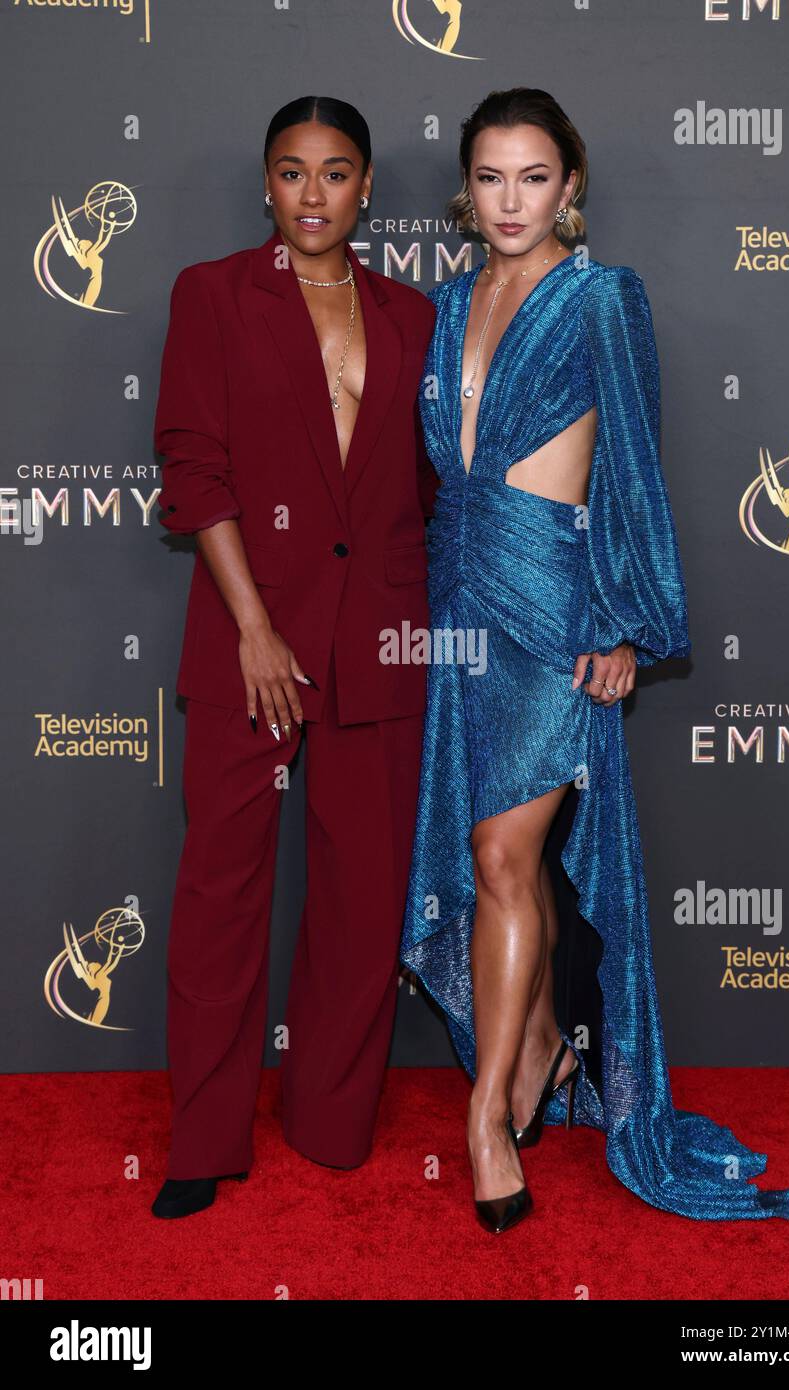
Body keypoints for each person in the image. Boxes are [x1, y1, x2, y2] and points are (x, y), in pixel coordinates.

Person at [400, 88, 789, 1233]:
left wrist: (625, 621)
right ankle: (536, 1041)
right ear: (464, 189)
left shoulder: (599, 298)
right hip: (458, 605)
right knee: (507, 862)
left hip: (553, 612)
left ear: (569, 186)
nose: (511, 201)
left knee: (498, 854)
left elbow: (630, 462)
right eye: (490, 178)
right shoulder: (446, 305)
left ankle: (486, 1118)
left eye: (533, 177)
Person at [150, 96, 438, 1218]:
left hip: (380, 640)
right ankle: (203, 1138)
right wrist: (255, 627)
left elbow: (427, 485)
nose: (312, 193)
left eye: (335, 171)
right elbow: (194, 468)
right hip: (248, 640)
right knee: (220, 892)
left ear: (367, 188)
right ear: (265, 183)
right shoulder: (214, 294)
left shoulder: (412, 313)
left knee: (363, 901)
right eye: (290, 170)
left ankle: (330, 1118)